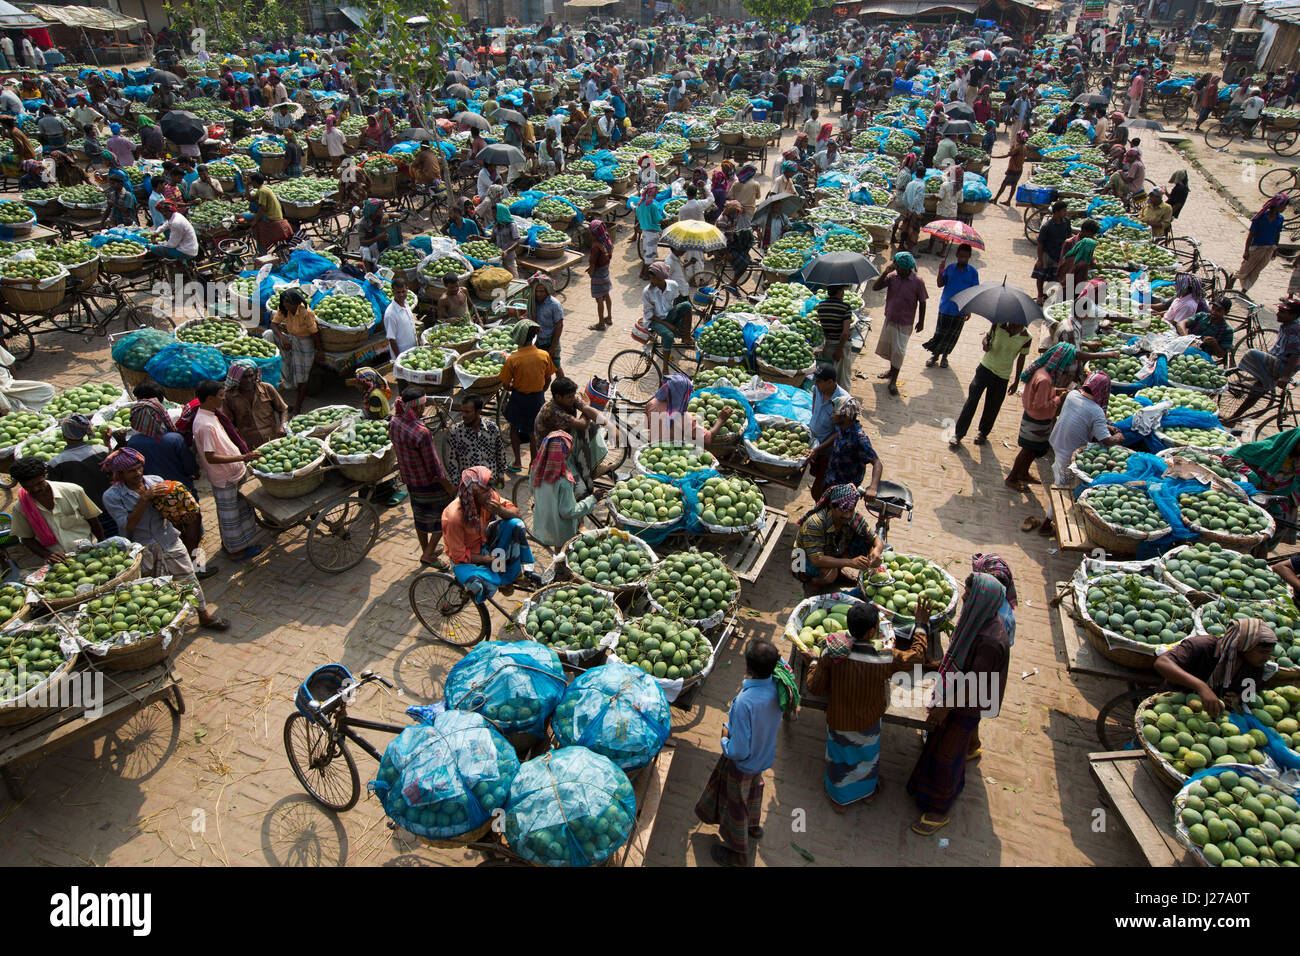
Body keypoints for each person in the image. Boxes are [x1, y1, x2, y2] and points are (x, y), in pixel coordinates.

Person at [907, 572, 1011, 835]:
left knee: (946, 755)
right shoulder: (980, 618)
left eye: (969, 593)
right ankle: (963, 754)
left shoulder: (989, 641)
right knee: (942, 745)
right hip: (957, 695)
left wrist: (944, 708)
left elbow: (973, 685)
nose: (964, 597)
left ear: (982, 599)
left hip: (965, 703)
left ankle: (938, 811)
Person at [804, 600, 929, 811]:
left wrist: (814, 662)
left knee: (840, 761)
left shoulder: (831, 653)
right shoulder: (885, 659)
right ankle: (867, 793)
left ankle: (839, 800)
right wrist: (920, 626)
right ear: (872, 632)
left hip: (839, 721)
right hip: (869, 722)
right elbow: (916, 656)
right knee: (866, 758)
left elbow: (815, 688)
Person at [101, 451, 228, 630]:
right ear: (120, 474)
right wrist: (145, 498)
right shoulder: (112, 496)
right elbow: (128, 525)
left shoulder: (155, 481)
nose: (137, 473)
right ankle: (166, 626)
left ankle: (203, 615)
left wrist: (184, 511)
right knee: (156, 590)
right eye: (131, 471)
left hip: (169, 538)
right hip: (143, 548)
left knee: (189, 578)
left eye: (139, 468)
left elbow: (172, 509)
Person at [693, 639, 783, 867]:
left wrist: (725, 737)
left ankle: (738, 854)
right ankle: (754, 827)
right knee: (753, 791)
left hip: (742, 764)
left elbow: (739, 749)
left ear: (748, 668)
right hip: (762, 756)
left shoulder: (745, 702)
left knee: (736, 806)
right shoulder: (778, 687)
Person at [1040, 372, 1125, 537]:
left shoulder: (1073, 395)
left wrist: (1104, 426)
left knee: (1060, 478)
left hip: (1058, 443)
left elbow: (1082, 417)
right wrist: (1119, 437)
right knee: (1062, 488)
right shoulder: (1096, 411)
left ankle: (1051, 519)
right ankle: (1046, 524)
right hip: (1069, 452)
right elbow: (1106, 440)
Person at [442, 465, 542, 601]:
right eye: (485, 490)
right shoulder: (454, 517)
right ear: (473, 493)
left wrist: (501, 511)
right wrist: (488, 559)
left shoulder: (490, 497)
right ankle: (500, 581)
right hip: (467, 556)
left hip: (484, 541)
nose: (490, 493)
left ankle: (509, 577)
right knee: (485, 582)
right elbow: (458, 554)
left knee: (516, 525)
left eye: (490, 488)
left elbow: (517, 514)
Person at [192, 380, 261, 562]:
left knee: (240, 509)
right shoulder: (205, 425)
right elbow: (210, 457)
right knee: (230, 516)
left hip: (232, 473)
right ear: (209, 398)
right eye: (221, 396)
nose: (223, 400)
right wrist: (242, 458)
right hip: (225, 477)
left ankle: (239, 544)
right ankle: (236, 552)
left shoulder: (209, 414)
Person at [390, 388, 457, 567]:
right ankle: (428, 554)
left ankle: (426, 548)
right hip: (428, 482)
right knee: (443, 515)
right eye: (423, 406)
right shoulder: (421, 432)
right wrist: (448, 486)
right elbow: (434, 467)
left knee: (420, 515)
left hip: (410, 479)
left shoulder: (395, 422)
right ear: (418, 408)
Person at [1153, 619, 1275, 717]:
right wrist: (1201, 686)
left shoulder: (1255, 667)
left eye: (1269, 652)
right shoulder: (1203, 646)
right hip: (1172, 704)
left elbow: (1248, 695)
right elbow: (1162, 662)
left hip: (1208, 718)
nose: (1267, 657)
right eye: (1262, 652)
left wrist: (1237, 699)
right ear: (1245, 645)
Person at [1005, 343, 1076, 490]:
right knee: (1027, 450)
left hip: (1037, 418)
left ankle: (1023, 473)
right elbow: (1039, 404)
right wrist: (1058, 399)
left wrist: (1056, 391)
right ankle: (1012, 478)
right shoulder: (1045, 379)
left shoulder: (1043, 373)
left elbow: (1042, 394)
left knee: (1032, 450)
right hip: (1035, 420)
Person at [950, 321, 1032, 448]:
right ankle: (959, 434)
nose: (1014, 328)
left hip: (1003, 376)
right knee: (971, 401)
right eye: (1013, 325)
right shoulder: (998, 325)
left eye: (1017, 326)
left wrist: (1016, 381)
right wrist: (985, 344)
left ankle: (983, 433)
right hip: (985, 368)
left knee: (992, 406)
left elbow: (1021, 358)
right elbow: (987, 338)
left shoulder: (1027, 337)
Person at [792, 483, 884, 595]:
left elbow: (874, 538)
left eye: (851, 510)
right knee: (831, 573)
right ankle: (813, 582)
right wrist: (850, 562)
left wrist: (877, 551)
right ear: (831, 505)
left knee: (866, 542)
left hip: (831, 552)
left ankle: (838, 571)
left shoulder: (853, 517)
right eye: (843, 510)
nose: (848, 515)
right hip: (802, 560)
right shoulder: (815, 523)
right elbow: (816, 560)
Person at [8, 456, 104, 561]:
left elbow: (93, 520)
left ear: (45, 474)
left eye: (39, 483)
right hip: (59, 561)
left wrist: (101, 545)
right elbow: (26, 538)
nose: (35, 489)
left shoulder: (72, 491)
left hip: (89, 552)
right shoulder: (20, 508)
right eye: (28, 487)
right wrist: (46, 554)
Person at [1223, 297, 1300, 423]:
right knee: (1255, 393)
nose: (1278, 314)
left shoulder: (1295, 329)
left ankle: (1265, 380)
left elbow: (1295, 354)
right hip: (1277, 361)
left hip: (1283, 366)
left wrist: (1286, 377)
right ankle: (1233, 419)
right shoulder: (1287, 325)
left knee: (1252, 353)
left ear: (1293, 316)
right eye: (1279, 310)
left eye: (1282, 312)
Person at [529, 429, 605, 550]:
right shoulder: (563, 482)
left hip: (544, 520)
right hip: (561, 530)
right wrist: (592, 499)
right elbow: (569, 511)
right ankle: (560, 567)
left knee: (556, 546)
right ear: (564, 455)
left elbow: (533, 490)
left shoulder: (535, 469)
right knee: (562, 552)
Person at [500, 321, 557, 473]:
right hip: (537, 399)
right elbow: (549, 378)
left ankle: (518, 462)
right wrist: (542, 390)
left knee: (514, 428)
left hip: (519, 398)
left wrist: (513, 388)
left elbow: (505, 384)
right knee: (534, 432)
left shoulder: (513, 359)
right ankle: (533, 464)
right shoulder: (543, 355)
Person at [47, 415, 117, 538]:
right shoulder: (101, 450)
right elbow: (113, 473)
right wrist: (107, 444)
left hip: (83, 514)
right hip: (110, 505)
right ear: (84, 434)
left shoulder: (56, 462)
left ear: (64, 437)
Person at [872, 253, 927, 396]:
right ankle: (891, 371)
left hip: (905, 322)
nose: (896, 268)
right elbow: (875, 288)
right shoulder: (892, 277)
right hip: (890, 318)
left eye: (897, 266)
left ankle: (893, 381)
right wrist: (885, 272)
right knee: (892, 348)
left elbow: (922, 302)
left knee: (899, 352)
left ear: (906, 268)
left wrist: (921, 321)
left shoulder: (918, 282)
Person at [924, 243, 980, 367]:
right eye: (960, 256)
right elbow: (940, 284)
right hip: (946, 307)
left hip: (961, 309)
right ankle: (935, 356)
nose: (962, 259)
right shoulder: (949, 268)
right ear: (956, 255)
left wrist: (969, 309)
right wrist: (940, 271)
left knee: (952, 335)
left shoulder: (973, 272)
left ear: (969, 257)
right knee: (940, 333)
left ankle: (945, 357)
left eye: (965, 257)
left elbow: (973, 292)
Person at [643, 372, 735, 445]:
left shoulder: (652, 403)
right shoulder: (684, 418)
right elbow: (708, 437)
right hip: (671, 455)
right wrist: (721, 419)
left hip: (652, 447)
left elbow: (647, 425)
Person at [270, 288, 321, 414]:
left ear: (296, 303)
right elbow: (274, 324)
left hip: (305, 342)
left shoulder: (306, 312)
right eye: (284, 302)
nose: (286, 304)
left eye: (288, 302)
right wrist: (282, 336)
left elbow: (315, 333)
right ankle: (287, 383)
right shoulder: (283, 309)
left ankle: (298, 406)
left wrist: (320, 351)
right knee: (268, 335)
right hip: (291, 338)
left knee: (302, 376)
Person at [445, 392, 508, 486]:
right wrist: (456, 484)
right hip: (468, 484)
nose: (463, 415)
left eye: (467, 412)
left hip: (489, 483)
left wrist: (501, 474)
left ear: (478, 412)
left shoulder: (492, 429)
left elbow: (500, 453)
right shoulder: (457, 432)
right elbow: (452, 460)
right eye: (462, 411)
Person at [824, 395, 882, 495]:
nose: (831, 415)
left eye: (834, 413)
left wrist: (873, 488)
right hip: (831, 480)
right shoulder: (841, 428)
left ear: (844, 415)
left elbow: (877, 462)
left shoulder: (859, 439)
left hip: (845, 491)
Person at [222, 360, 286, 450]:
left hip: (273, 439)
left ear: (256, 375)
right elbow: (228, 424)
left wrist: (282, 426)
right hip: (250, 445)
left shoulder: (267, 388)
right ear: (236, 378)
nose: (248, 380)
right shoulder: (229, 397)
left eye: (251, 375)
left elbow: (283, 409)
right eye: (243, 377)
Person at [642, 261, 690, 379]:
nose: (652, 281)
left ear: (663, 278)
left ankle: (687, 336)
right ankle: (665, 368)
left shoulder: (672, 285)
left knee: (687, 305)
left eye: (655, 279)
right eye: (651, 278)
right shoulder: (647, 292)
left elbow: (676, 300)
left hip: (668, 314)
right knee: (668, 335)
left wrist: (677, 318)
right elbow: (649, 314)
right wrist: (668, 325)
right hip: (655, 320)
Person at [808, 365, 849, 500]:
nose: (815, 384)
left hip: (827, 451)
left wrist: (818, 449)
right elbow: (814, 395)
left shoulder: (842, 401)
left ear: (830, 382)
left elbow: (839, 433)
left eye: (819, 381)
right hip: (814, 443)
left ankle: (821, 510)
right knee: (814, 473)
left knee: (819, 488)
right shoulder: (818, 389)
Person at [1234, 194, 1289, 293]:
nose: (1284, 208)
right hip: (1256, 247)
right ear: (1277, 205)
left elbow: (1277, 234)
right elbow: (1251, 235)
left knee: (1256, 270)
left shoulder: (1280, 219)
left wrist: (1275, 248)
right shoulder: (1260, 217)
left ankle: (1244, 291)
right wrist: (1246, 250)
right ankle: (1233, 279)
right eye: (1283, 206)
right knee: (1245, 269)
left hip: (1269, 248)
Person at [1033, 201, 1073, 304]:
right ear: (1057, 212)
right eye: (1064, 211)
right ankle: (1040, 296)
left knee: (1055, 278)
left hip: (1059, 254)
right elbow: (1040, 244)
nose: (1065, 212)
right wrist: (1040, 259)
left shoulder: (1066, 222)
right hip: (1047, 253)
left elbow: (1069, 237)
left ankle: (1048, 295)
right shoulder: (1047, 226)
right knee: (1041, 276)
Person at [245, 171, 293, 252]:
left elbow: (262, 208)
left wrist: (255, 221)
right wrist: (246, 186)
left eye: (251, 181)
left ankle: (262, 253)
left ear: (254, 182)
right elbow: (250, 199)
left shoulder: (262, 191)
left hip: (271, 218)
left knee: (246, 217)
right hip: (274, 216)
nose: (250, 183)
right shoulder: (263, 189)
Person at [1176, 295, 1235, 360]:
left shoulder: (1227, 331)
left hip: (1201, 357)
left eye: (1219, 310)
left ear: (1226, 312)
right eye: (1213, 308)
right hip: (1186, 348)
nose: (1213, 312)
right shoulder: (1202, 316)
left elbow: (1221, 355)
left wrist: (1215, 344)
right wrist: (1187, 339)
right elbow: (1181, 323)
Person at [530, 274, 564, 371]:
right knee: (541, 369)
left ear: (547, 291)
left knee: (556, 368)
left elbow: (559, 325)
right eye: (536, 291)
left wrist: (553, 347)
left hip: (550, 342)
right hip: (537, 342)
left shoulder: (554, 304)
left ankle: (563, 385)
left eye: (541, 291)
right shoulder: (533, 302)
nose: (538, 294)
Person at [587, 219, 614, 331]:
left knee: (599, 299)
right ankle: (609, 317)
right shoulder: (607, 241)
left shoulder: (595, 247)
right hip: (605, 271)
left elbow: (592, 263)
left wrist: (591, 273)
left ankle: (601, 323)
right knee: (606, 294)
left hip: (598, 274)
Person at [383, 277, 418, 360]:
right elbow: (391, 339)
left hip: (413, 352)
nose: (401, 295)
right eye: (398, 292)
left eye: (403, 291)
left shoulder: (406, 304)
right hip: (403, 356)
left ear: (407, 289)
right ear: (393, 292)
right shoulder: (390, 314)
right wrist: (399, 358)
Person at [990, 129, 1027, 206]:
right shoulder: (1024, 147)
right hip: (1019, 169)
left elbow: (1007, 155)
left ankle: (995, 199)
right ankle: (1008, 201)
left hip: (1013, 169)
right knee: (1014, 185)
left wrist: (993, 157)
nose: (1016, 139)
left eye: (1018, 137)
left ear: (1020, 138)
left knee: (1004, 184)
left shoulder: (1019, 147)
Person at [634, 183, 664, 277]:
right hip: (652, 232)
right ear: (653, 193)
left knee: (647, 253)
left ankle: (642, 273)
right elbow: (658, 220)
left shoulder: (640, 203)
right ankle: (646, 274)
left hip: (645, 232)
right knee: (650, 256)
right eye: (656, 192)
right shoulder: (652, 205)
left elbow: (639, 216)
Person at [492, 203, 521, 277]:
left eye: (494, 213)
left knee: (514, 277)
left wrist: (507, 251)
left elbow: (517, 242)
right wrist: (479, 238)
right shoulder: (496, 225)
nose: (493, 215)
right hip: (498, 256)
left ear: (500, 213)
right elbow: (492, 239)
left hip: (509, 257)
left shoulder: (511, 225)